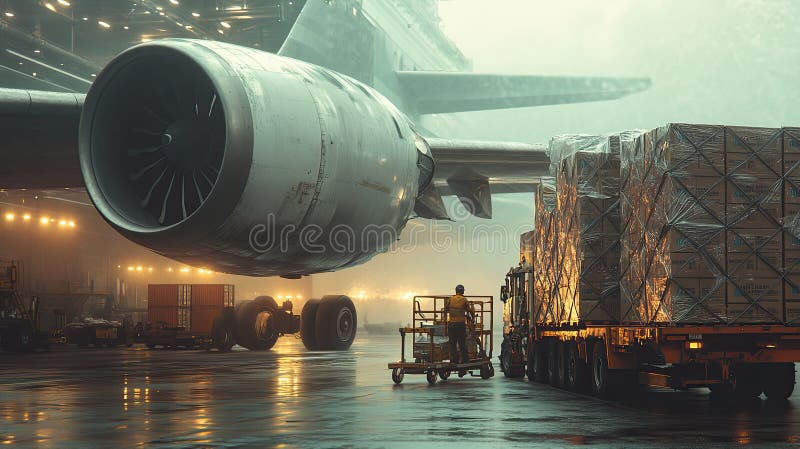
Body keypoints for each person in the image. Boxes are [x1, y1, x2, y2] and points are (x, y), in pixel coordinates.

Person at [446, 284, 472, 365]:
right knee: (462, 343)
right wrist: (472, 318)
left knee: (452, 343)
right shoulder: (464, 299)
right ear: (462, 291)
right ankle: (464, 359)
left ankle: (454, 360)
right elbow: (469, 310)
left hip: (452, 324)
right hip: (460, 325)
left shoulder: (450, 299)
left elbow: (446, 309)